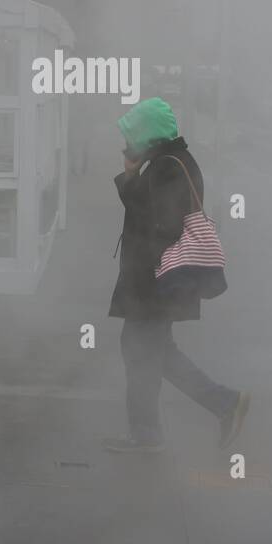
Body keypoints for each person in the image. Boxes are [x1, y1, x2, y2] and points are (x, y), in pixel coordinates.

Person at [104, 97, 249, 453]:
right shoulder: (172, 161)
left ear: (149, 134)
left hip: (156, 283)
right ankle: (222, 405)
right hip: (159, 283)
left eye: (133, 134)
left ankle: (150, 433)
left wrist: (129, 175)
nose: (129, 142)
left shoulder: (167, 166)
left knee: (140, 351)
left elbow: (160, 223)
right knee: (155, 351)